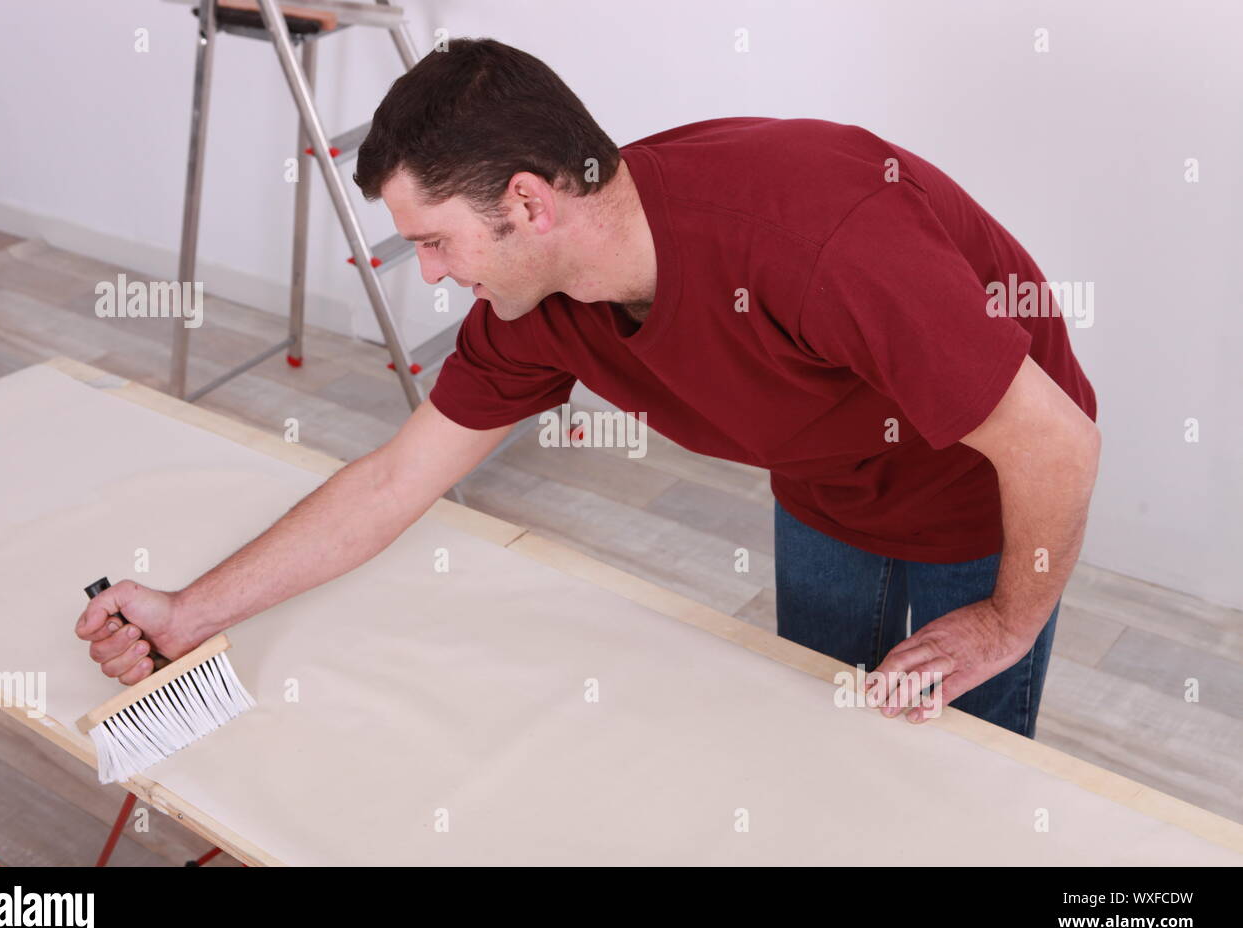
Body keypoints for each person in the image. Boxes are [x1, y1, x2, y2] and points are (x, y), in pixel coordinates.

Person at [76, 38, 1099, 739]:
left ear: (527, 202)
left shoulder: (813, 235)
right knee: (828, 733)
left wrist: (1007, 621)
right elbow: (394, 480)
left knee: (961, 782)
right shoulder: (538, 301)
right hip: (826, 481)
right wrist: (186, 610)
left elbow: (1054, 443)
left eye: (434, 241)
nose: (426, 272)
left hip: (985, 488)